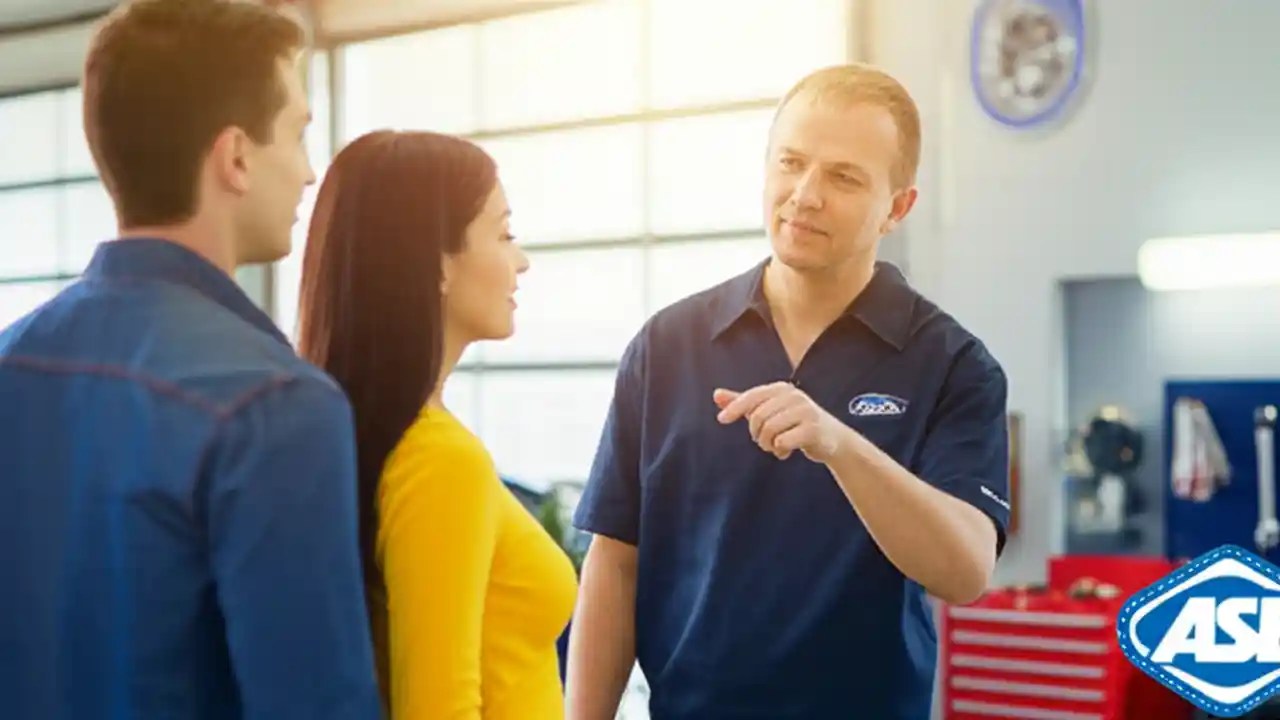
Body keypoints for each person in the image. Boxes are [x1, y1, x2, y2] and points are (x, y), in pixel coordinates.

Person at [567, 63, 1012, 720]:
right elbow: (615, 563)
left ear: (897, 208)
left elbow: (965, 572)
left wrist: (840, 445)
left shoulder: (953, 365)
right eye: (791, 163)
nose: (805, 195)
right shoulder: (667, 346)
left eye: (844, 177)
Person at [0, 2, 383, 718]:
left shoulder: (10, 361)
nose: (308, 173)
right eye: (298, 134)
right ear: (235, 157)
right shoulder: (277, 403)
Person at [295, 129, 579, 720]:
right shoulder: (440, 458)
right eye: (503, 234)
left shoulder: (368, 439)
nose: (521, 261)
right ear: (437, 263)